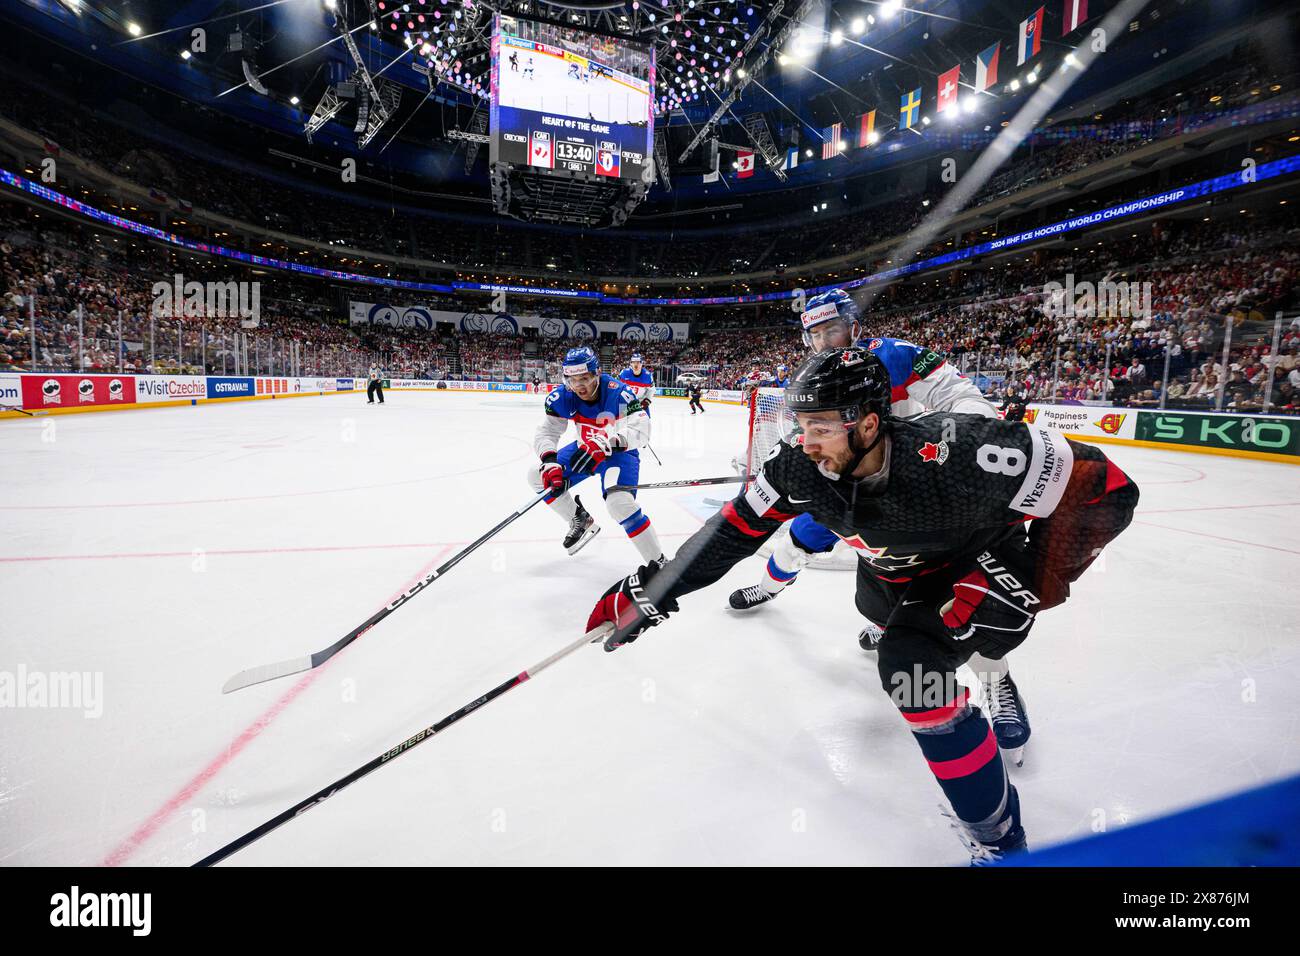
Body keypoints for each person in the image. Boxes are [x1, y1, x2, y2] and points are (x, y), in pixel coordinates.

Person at [586, 348, 1138, 862]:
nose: (805, 442)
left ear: (870, 423)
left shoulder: (962, 451)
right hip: (886, 576)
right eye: (801, 425)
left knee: (910, 671)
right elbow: (734, 531)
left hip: (968, 573)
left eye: (821, 427)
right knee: (876, 618)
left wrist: (1031, 585)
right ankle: (949, 660)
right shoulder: (799, 466)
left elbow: (1106, 486)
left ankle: (1000, 837)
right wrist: (655, 591)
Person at [728, 289, 1033, 761]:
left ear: (854, 326)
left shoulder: (902, 356)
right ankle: (776, 589)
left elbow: (966, 402)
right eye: (815, 333)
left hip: (921, 495)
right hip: (851, 486)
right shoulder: (813, 375)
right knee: (804, 537)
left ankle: (997, 683)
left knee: (952, 594)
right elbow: (802, 433)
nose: (824, 340)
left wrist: (944, 446)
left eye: (832, 329)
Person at [526, 346, 664, 563]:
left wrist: (606, 443)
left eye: (584, 378)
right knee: (537, 475)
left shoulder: (618, 392)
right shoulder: (564, 396)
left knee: (619, 504)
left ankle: (659, 563)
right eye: (572, 379)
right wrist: (550, 461)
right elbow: (548, 431)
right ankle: (579, 519)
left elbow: (642, 429)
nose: (579, 386)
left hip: (618, 454)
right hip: (584, 450)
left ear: (597, 372)